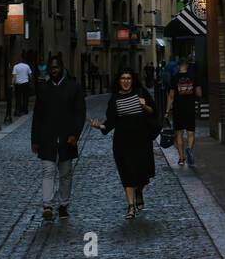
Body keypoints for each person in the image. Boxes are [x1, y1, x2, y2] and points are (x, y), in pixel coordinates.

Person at [91, 69, 158, 218]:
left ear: (132, 80)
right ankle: (131, 207)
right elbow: (110, 122)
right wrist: (99, 126)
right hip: (122, 142)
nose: (126, 81)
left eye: (128, 78)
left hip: (141, 140)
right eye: (123, 78)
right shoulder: (114, 99)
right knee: (127, 172)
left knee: (141, 172)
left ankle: (139, 190)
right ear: (119, 81)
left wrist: (144, 106)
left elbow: (153, 112)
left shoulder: (141, 92)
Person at [30, 56, 86, 221]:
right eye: (51, 68)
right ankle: (47, 205)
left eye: (56, 68)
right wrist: (35, 139)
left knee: (65, 172)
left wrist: (75, 134)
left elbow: (79, 113)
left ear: (61, 68)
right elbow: (37, 115)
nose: (54, 71)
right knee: (48, 170)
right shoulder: (44, 88)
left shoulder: (73, 87)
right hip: (47, 137)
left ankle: (63, 204)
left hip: (67, 137)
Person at [167, 58, 201, 167]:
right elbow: (199, 93)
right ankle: (189, 150)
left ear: (178, 66)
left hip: (178, 109)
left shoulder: (175, 77)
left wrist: (167, 111)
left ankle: (181, 158)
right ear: (187, 65)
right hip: (190, 108)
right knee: (191, 133)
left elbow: (171, 96)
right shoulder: (194, 76)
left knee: (179, 134)